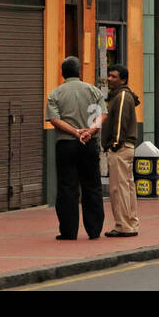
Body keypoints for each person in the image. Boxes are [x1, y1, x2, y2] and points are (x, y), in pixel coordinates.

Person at [45, 56, 105, 241]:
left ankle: (69, 231)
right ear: (80, 72)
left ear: (62, 73)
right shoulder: (93, 91)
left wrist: (75, 132)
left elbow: (55, 120)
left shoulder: (55, 94)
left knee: (67, 188)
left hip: (66, 144)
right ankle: (94, 229)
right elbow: (102, 115)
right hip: (89, 144)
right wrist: (89, 131)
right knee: (92, 186)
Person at [101, 64, 140, 238]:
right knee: (127, 187)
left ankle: (123, 226)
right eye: (109, 75)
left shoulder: (122, 96)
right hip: (126, 147)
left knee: (118, 189)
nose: (109, 79)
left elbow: (120, 123)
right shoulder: (120, 95)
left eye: (114, 76)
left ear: (123, 80)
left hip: (121, 148)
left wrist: (115, 144)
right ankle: (130, 223)